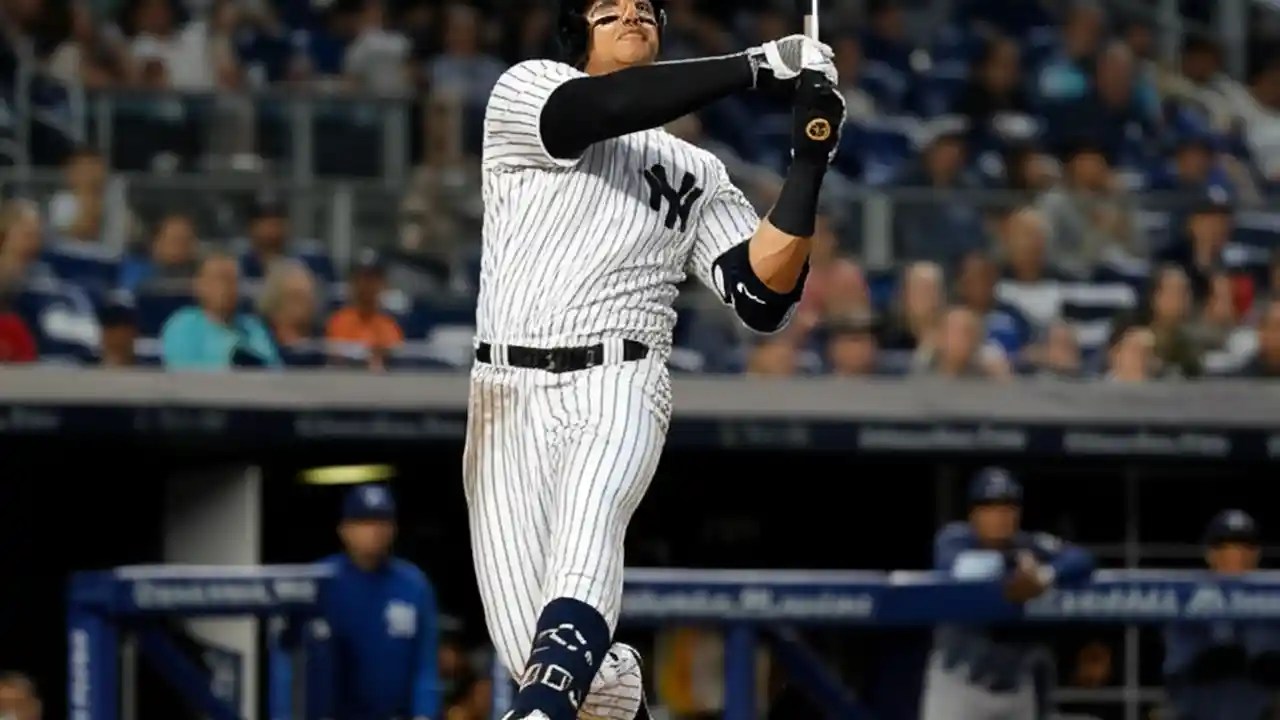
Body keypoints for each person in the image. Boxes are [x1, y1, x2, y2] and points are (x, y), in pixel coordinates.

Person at [468, 2, 844, 719]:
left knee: (587, 539)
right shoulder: (527, 89)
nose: (632, 15)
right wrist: (756, 65)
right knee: (535, 651)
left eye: (645, 8)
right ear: (577, 32)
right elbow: (602, 107)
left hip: (621, 378)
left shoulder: (696, 169)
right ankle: (616, 694)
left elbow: (763, 297)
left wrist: (808, 163)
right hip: (504, 392)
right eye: (609, 9)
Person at [921, 467, 1096, 720]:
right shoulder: (954, 539)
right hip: (960, 686)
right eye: (990, 507)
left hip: (1014, 690)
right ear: (974, 513)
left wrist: (1044, 575)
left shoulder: (1029, 544)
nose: (1000, 516)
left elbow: (1081, 558)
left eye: (1008, 507)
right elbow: (961, 569)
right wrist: (1016, 567)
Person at [320, 484, 441, 720]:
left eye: (381, 522)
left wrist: (424, 714)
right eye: (364, 522)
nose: (374, 531)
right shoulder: (323, 582)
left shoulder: (413, 585)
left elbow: (426, 662)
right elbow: (293, 661)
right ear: (344, 530)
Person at [1162, 510, 1280, 720]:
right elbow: (1179, 672)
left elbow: (1270, 669)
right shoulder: (1189, 600)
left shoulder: (1271, 603)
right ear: (1210, 554)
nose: (1236, 555)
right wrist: (1236, 656)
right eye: (1225, 547)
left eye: (1245, 547)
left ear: (1257, 554)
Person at [160, 253, 281, 370]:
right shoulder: (182, 325)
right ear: (199, 285)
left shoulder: (252, 327)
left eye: (233, 279)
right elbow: (181, 372)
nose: (227, 286)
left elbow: (274, 370)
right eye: (221, 278)